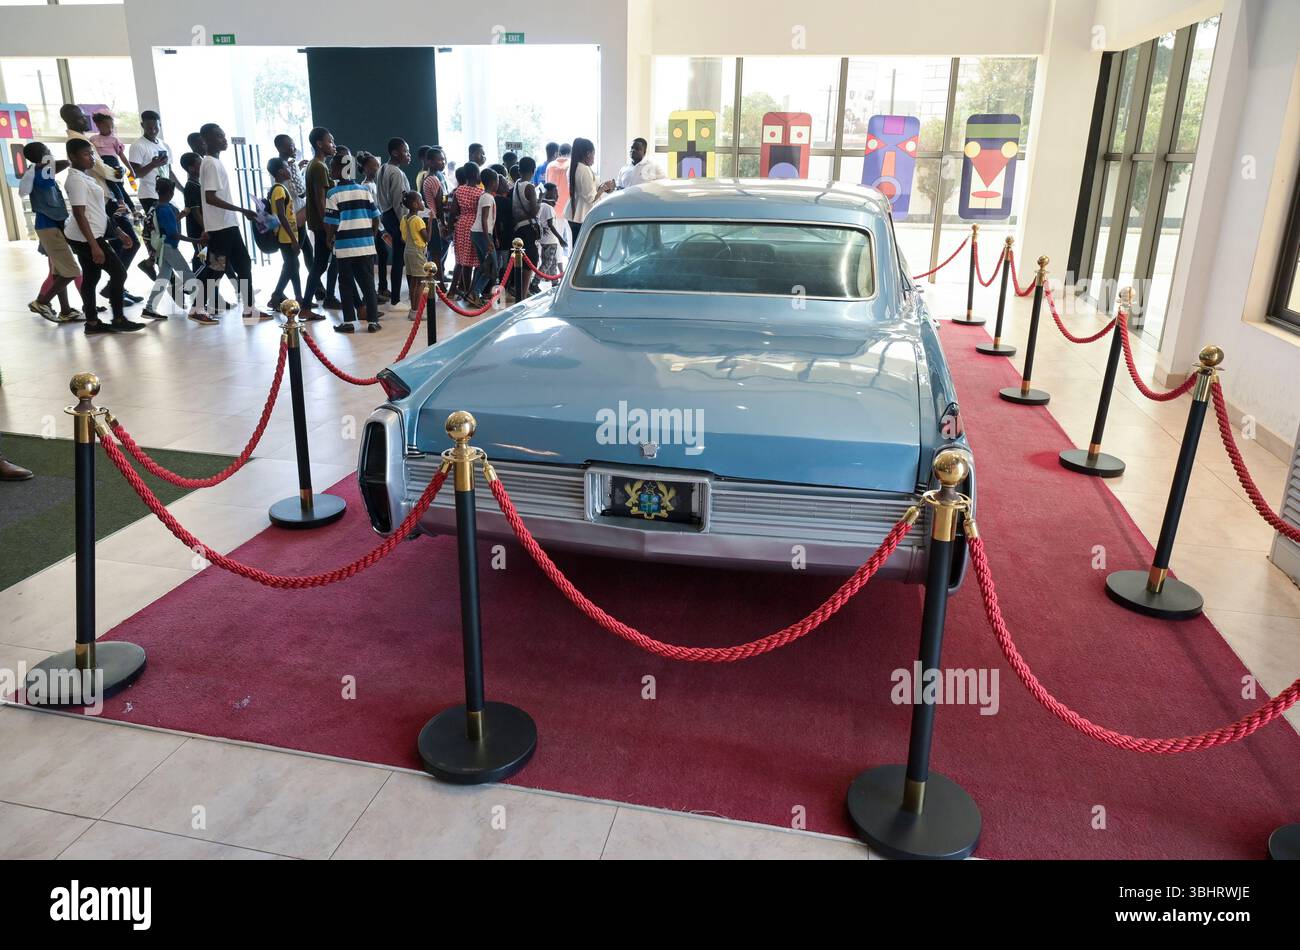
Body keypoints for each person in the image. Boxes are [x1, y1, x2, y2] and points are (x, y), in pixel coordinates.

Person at [62, 138, 143, 333]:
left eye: (91, 154)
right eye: (86, 154)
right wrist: (94, 246)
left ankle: (92, 323)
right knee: (118, 272)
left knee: (91, 277)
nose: (91, 158)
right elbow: (79, 214)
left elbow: (98, 210)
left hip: (93, 234)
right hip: (84, 237)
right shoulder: (75, 180)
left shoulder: (86, 177)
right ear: (72, 157)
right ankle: (118, 319)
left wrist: (119, 231)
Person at [196, 122, 261, 321]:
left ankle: (249, 308)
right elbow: (210, 197)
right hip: (220, 227)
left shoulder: (215, 162)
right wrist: (242, 210)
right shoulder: (210, 163)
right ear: (206, 140)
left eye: (223, 136)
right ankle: (196, 308)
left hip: (228, 225)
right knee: (216, 269)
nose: (223, 139)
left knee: (243, 264)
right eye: (218, 136)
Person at [324, 146, 383, 333]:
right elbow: (376, 217)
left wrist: (328, 239)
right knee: (367, 283)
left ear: (340, 170)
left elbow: (332, 222)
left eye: (332, 168)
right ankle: (373, 321)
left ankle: (349, 322)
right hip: (365, 246)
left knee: (346, 283)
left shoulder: (332, 194)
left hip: (344, 246)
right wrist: (371, 235)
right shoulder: (364, 190)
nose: (331, 171)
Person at [21, 142, 80, 323]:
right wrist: (44, 163)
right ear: (44, 155)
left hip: (52, 227)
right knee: (71, 271)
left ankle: (66, 310)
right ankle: (42, 302)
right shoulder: (41, 173)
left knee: (58, 272)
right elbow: (65, 163)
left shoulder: (40, 172)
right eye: (48, 152)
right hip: (49, 227)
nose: (51, 154)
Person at [142, 177, 200, 319]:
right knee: (188, 275)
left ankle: (149, 308)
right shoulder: (166, 209)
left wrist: (181, 215)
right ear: (171, 192)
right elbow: (174, 234)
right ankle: (199, 309)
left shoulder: (156, 207)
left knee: (163, 278)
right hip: (169, 247)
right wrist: (197, 240)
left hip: (160, 247)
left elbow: (166, 226)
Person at [129, 110, 173, 282]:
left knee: (165, 234)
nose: (153, 129)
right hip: (149, 195)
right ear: (142, 126)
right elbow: (136, 173)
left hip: (165, 194)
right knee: (158, 234)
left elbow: (170, 170)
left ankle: (150, 262)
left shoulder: (163, 144)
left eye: (155, 126)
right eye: (149, 127)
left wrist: (183, 190)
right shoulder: (138, 146)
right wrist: (152, 164)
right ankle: (165, 273)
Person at [300, 126, 338, 320]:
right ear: (319, 144)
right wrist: (328, 228)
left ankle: (320, 299)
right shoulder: (318, 167)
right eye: (330, 141)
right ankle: (306, 306)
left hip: (321, 223)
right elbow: (320, 200)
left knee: (322, 264)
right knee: (319, 265)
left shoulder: (317, 166)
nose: (333, 145)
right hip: (323, 224)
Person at [264, 157, 302, 313]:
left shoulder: (280, 188)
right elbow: (281, 216)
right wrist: (293, 239)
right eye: (287, 167)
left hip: (288, 234)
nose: (289, 170)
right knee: (290, 266)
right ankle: (276, 296)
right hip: (285, 236)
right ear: (280, 171)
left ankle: (299, 298)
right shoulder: (279, 189)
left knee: (293, 266)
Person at [377, 137, 411, 306]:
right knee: (400, 259)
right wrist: (406, 226)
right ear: (395, 152)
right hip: (396, 217)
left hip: (386, 215)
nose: (408, 155)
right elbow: (400, 202)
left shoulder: (383, 168)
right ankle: (397, 299)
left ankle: (397, 296)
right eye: (405, 151)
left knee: (398, 258)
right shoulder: (396, 173)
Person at [274, 133, 313, 277]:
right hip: (293, 217)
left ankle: (317, 288)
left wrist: (298, 169)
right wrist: (296, 171)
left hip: (297, 214)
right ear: (280, 147)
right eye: (290, 145)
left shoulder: (287, 165)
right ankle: (278, 294)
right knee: (292, 260)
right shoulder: (284, 167)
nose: (294, 148)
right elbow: (300, 191)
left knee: (307, 251)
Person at [567, 137, 615, 244]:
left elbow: (588, 190)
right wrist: (603, 188)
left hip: (575, 215)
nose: (594, 157)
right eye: (594, 154)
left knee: (578, 246)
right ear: (588, 153)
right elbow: (591, 198)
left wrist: (603, 187)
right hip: (582, 215)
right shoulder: (584, 169)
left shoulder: (575, 167)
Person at [357, 152, 390, 302]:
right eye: (373, 166)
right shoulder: (365, 187)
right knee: (374, 258)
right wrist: (375, 230)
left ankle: (382, 287)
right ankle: (372, 292)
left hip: (379, 226)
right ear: (364, 168)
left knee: (382, 254)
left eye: (377, 165)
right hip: (372, 227)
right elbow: (371, 209)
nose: (376, 168)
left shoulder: (375, 184)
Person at [468, 166, 499, 307]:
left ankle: (473, 293)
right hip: (482, 234)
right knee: (493, 266)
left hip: (479, 233)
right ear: (493, 182)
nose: (498, 183)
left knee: (484, 266)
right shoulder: (487, 196)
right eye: (497, 180)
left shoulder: (485, 196)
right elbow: (484, 219)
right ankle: (476, 292)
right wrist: (489, 240)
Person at [511, 156, 541, 295]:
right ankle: (523, 292)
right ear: (533, 170)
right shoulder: (529, 187)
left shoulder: (517, 183)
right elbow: (533, 210)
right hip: (528, 227)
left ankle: (520, 291)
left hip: (517, 227)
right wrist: (540, 200)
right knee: (531, 259)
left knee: (520, 260)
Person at [447, 164, 478, 299]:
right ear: (477, 174)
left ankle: (453, 290)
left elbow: (452, 212)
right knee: (471, 260)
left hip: (461, 225)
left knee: (460, 260)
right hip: (474, 226)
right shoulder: (480, 193)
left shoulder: (459, 191)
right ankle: (468, 291)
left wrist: (449, 228)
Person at [420, 146, 450, 286]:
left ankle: (435, 281)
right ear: (430, 162)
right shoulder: (434, 179)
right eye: (439, 160)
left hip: (429, 217)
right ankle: (441, 286)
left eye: (443, 159)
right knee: (436, 254)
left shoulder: (427, 178)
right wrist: (443, 223)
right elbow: (439, 204)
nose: (443, 162)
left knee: (435, 253)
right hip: (433, 219)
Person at [399, 191, 428, 318]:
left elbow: (403, 238)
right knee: (421, 281)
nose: (423, 203)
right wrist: (431, 222)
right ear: (415, 204)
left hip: (408, 251)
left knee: (413, 283)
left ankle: (413, 311)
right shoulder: (418, 220)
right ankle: (416, 312)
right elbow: (427, 238)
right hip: (417, 252)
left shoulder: (404, 218)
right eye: (421, 201)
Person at [179, 152, 205, 270]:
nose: (203, 165)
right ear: (191, 168)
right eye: (200, 163)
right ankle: (191, 286)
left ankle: (212, 287)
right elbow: (196, 212)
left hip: (203, 230)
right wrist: (207, 229)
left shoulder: (198, 183)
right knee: (203, 262)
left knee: (214, 262)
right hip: (199, 232)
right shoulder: (191, 186)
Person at [536, 181, 566, 283]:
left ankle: (555, 282)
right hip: (549, 240)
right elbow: (550, 225)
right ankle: (535, 282)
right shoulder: (548, 207)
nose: (557, 195)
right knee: (547, 263)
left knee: (553, 262)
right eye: (555, 192)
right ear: (547, 193)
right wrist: (561, 239)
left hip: (548, 240)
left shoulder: (543, 206)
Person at [545, 142, 572, 217]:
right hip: (568, 210)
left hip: (552, 208)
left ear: (559, 153)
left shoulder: (550, 166)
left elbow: (547, 186)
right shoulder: (572, 165)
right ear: (570, 153)